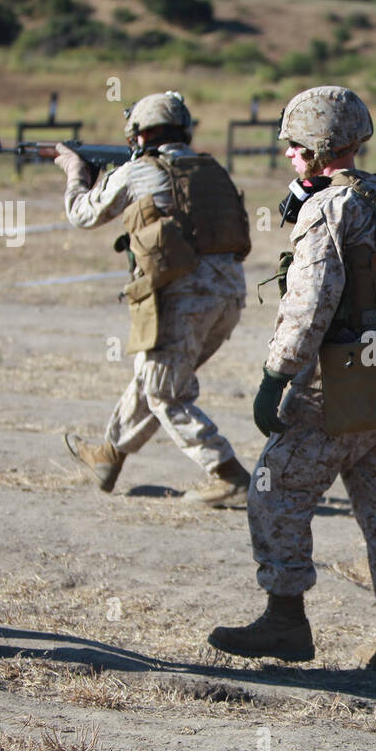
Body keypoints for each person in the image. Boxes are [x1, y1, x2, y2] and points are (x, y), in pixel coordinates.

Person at [207, 85, 376, 673]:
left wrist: (274, 376)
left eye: (293, 144)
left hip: (348, 375)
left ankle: (285, 619)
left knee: (275, 485)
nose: (287, 153)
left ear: (317, 145)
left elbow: (310, 305)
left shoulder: (329, 207)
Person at [56, 92, 252, 506]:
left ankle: (227, 472)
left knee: (165, 391)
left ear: (139, 132)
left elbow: (82, 214)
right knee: (155, 377)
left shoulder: (138, 172)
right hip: (228, 297)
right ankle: (109, 455)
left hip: (181, 298)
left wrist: (75, 171)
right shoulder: (212, 169)